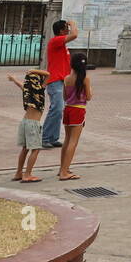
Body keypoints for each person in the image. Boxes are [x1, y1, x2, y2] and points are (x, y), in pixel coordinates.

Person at [7, 68, 50, 183]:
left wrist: (14, 79)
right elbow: (48, 74)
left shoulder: (28, 90)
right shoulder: (40, 90)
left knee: (25, 149)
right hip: (33, 124)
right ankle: (27, 174)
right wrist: (34, 70)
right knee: (35, 149)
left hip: (24, 122)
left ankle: (18, 173)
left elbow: (21, 85)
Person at [41, 19, 78, 149]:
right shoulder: (55, 41)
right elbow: (74, 35)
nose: (68, 29)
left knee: (59, 110)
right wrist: (73, 23)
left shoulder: (62, 46)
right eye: (66, 28)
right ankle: (44, 137)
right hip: (55, 81)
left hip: (62, 81)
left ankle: (53, 137)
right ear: (61, 31)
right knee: (56, 109)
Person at [58, 53, 92, 181]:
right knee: (73, 141)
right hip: (78, 110)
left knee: (67, 140)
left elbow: (65, 97)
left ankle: (62, 168)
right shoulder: (85, 79)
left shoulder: (67, 78)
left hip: (68, 109)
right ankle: (64, 172)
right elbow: (88, 97)